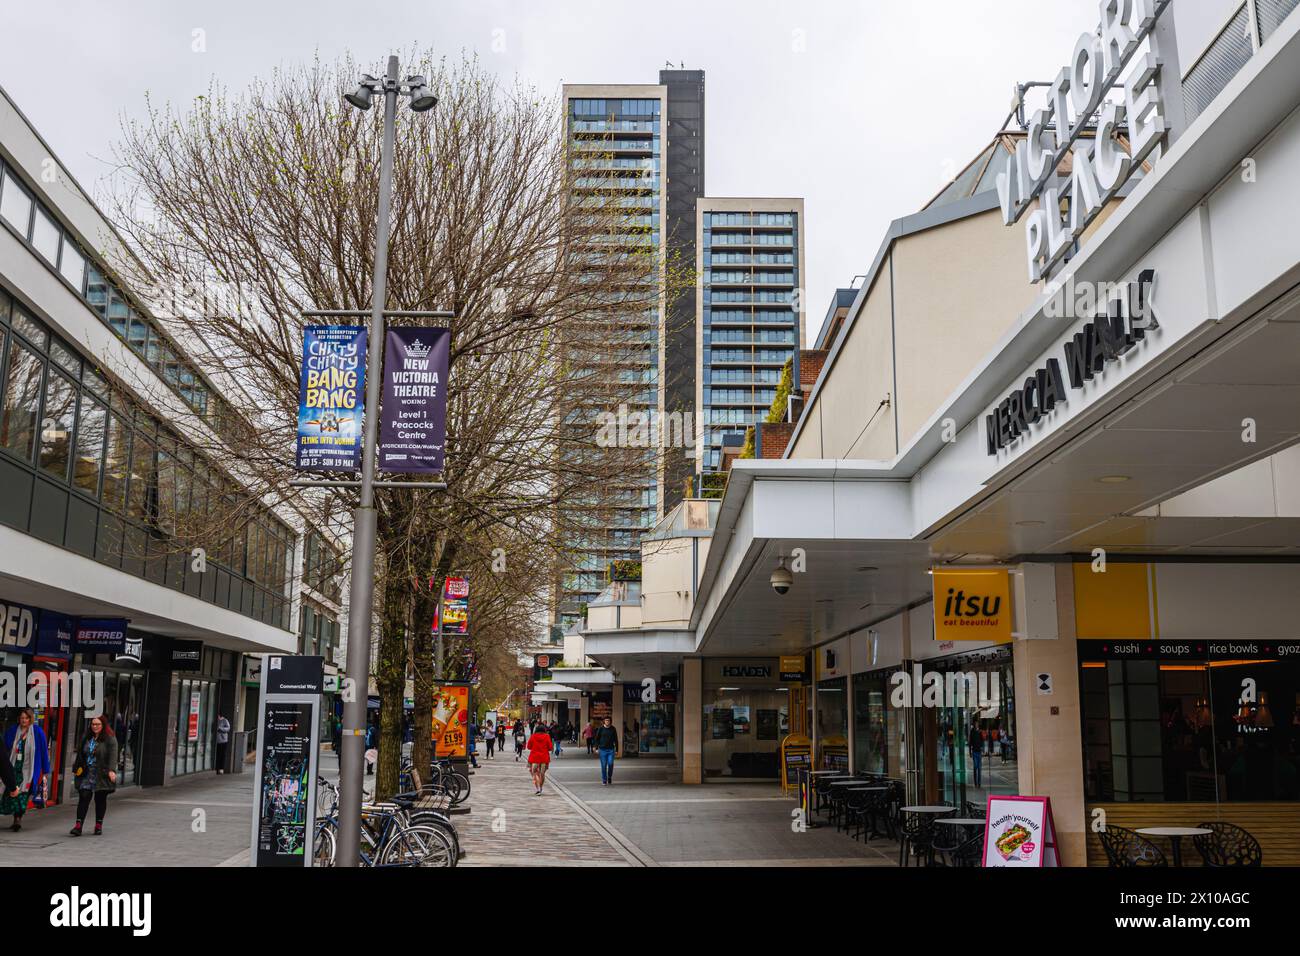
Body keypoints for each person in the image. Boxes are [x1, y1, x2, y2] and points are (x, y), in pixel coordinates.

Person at [70, 715, 119, 836]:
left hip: (101, 773)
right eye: (93, 724)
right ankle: (78, 825)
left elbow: (113, 755)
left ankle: (98, 825)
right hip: (87, 772)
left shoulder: (110, 739)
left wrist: (111, 770)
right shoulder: (87, 737)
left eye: (98, 724)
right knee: (84, 797)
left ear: (103, 725)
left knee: (100, 799)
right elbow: (81, 754)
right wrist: (76, 767)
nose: (95, 727)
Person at [2, 708, 49, 831]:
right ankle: (16, 816)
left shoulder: (38, 732)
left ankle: (18, 818)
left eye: (26, 718)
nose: (24, 720)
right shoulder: (13, 730)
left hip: (29, 769)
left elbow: (43, 751)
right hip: (13, 767)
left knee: (23, 794)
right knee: (13, 793)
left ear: (30, 719)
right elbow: (4, 745)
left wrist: (45, 770)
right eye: (22, 718)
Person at [527, 722, 553, 794]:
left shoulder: (533, 736)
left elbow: (528, 746)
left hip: (534, 757)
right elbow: (550, 747)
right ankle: (541, 787)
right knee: (542, 774)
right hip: (544, 757)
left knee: (534, 772)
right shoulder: (547, 736)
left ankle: (538, 788)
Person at [594, 716, 618, 785]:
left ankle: (609, 776)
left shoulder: (613, 729)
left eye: (608, 720)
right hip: (602, 750)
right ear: (604, 721)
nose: (607, 721)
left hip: (611, 750)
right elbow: (597, 739)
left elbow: (616, 739)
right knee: (604, 766)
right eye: (606, 720)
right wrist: (596, 748)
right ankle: (604, 780)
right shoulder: (601, 729)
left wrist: (617, 750)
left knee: (610, 764)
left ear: (610, 721)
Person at [968, 723, 983, 789]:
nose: (977, 725)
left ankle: (979, 783)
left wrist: (982, 748)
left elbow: (982, 740)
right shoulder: (972, 732)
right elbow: (970, 742)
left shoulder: (979, 732)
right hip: (974, 751)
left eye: (977, 724)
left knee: (979, 768)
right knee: (975, 767)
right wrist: (970, 752)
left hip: (979, 751)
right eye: (976, 724)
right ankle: (975, 782)